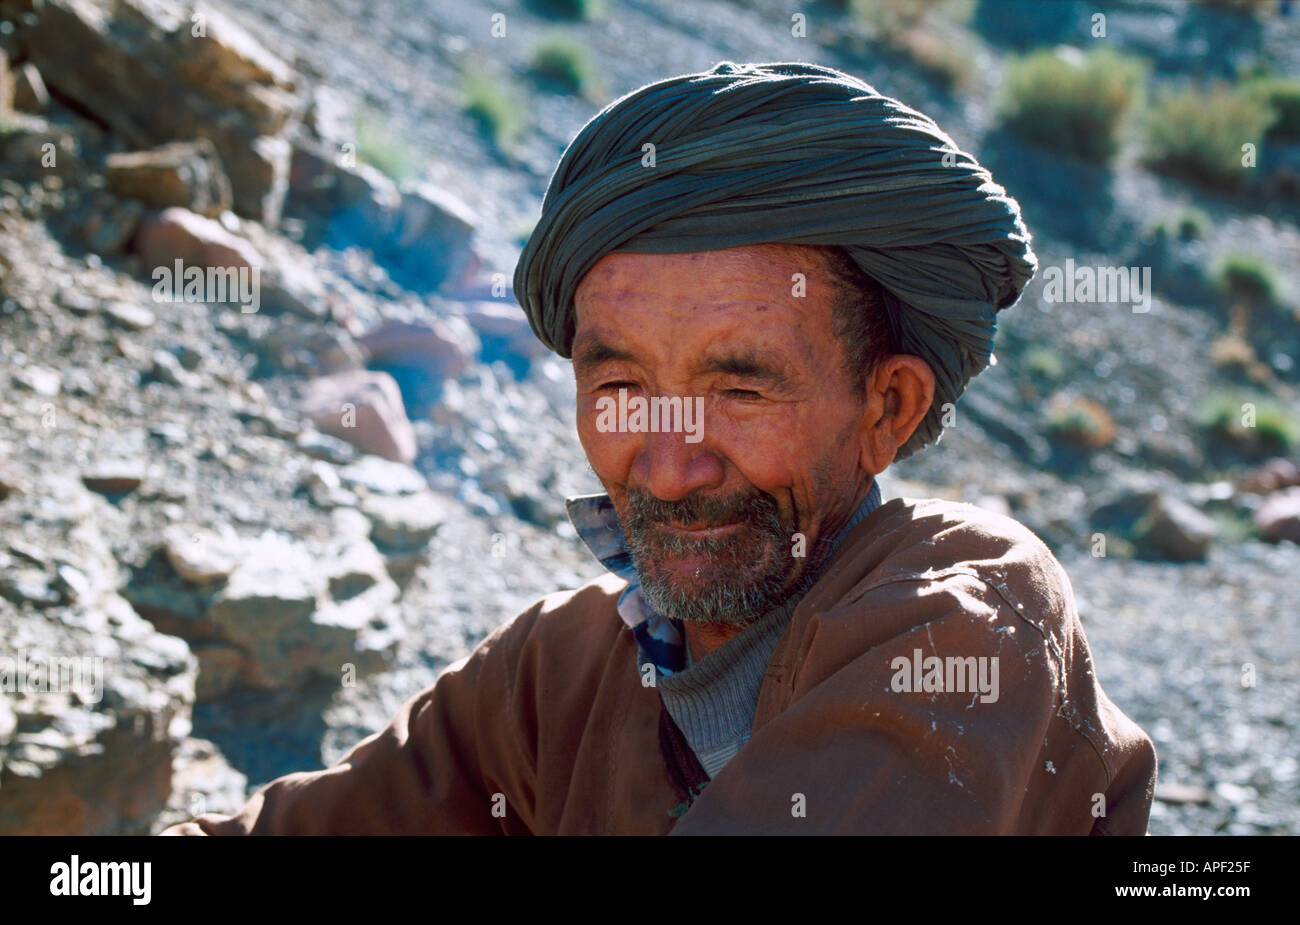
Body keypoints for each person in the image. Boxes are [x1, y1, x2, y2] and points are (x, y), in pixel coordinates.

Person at [163, 61, 1156, 836]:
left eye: (739, 389)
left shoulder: (965, 606)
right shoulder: (563, 664)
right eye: (622, 387)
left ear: (886, 406)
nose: (668, 464)